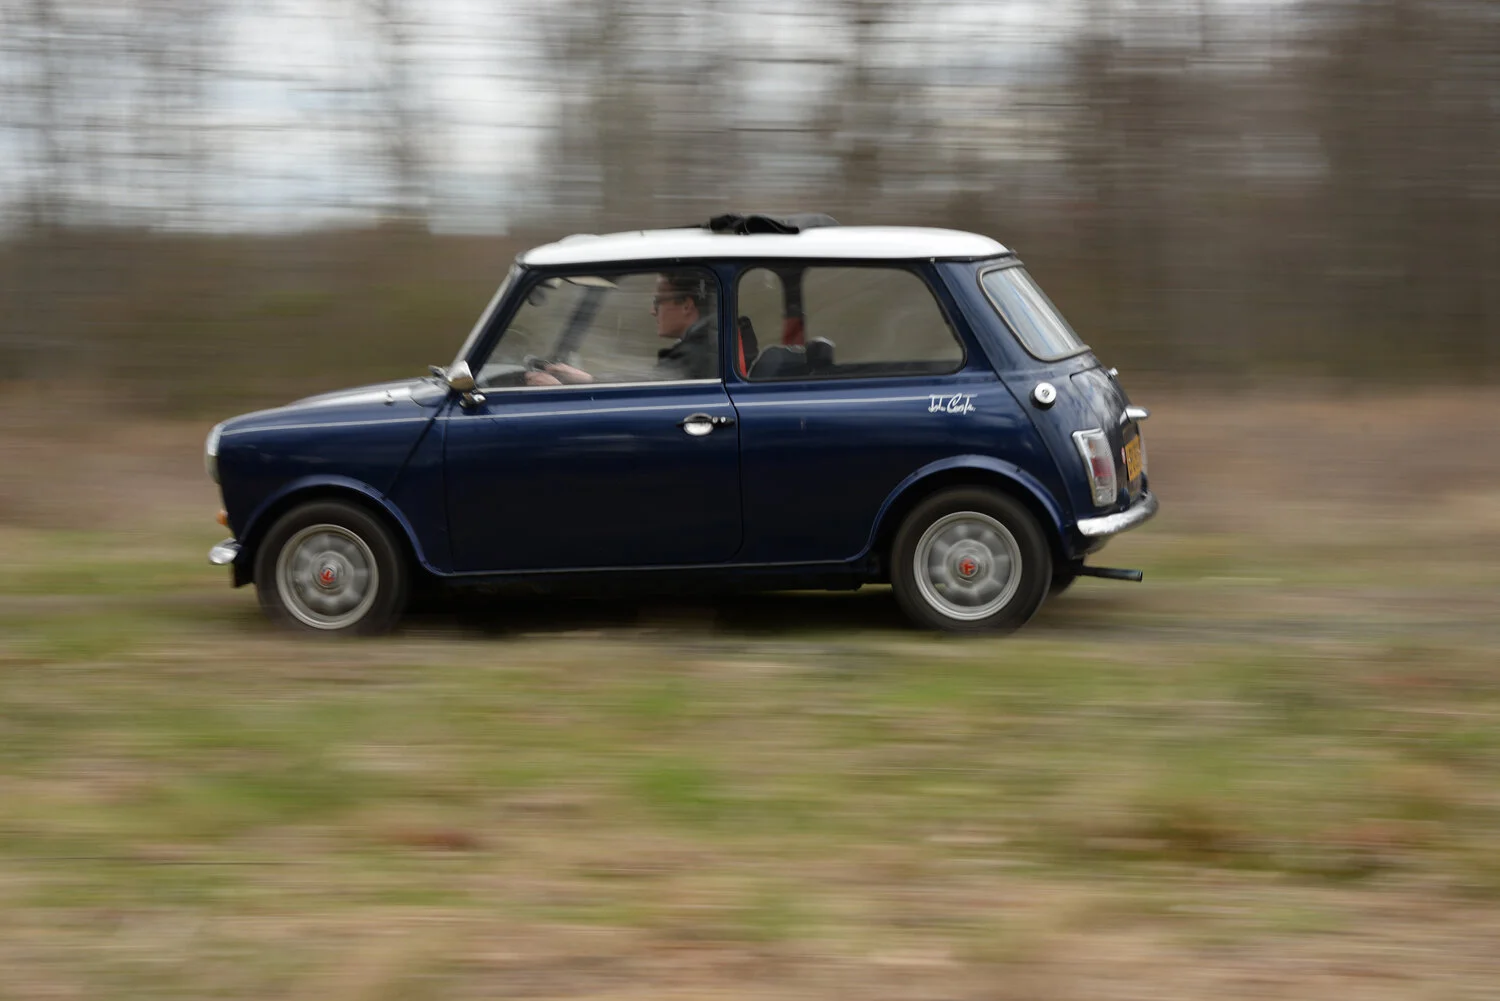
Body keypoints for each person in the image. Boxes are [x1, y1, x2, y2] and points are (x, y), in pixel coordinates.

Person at [525, 272, 717, 386]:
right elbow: (652, 382)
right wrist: (588, 380)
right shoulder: (702, 345)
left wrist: (560, 392)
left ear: (686, 306)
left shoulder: (700, 352)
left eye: (657, 301)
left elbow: (648, 397)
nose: (652, 311)